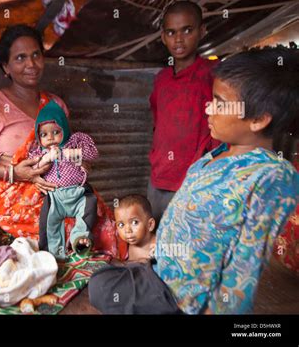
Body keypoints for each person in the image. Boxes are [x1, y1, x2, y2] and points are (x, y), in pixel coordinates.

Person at [89, 46, 299, 314]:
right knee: (99, 280)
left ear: (258, 119)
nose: (208, 108)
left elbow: (245, 267)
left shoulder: (271, 177)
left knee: (103, 288)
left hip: (182, 297)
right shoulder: (214, 155)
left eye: (220, 103)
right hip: (162, 270)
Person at [0, 24, 126, 259]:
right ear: (6, 67)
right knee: (59, 231)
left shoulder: (55, 105)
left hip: (60, 187)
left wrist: (80, 163)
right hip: (17, 195)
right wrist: (15, 173)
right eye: (20, 58)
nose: (31, 64)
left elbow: (66, 149)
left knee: (101, 220)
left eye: (36, 55)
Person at [148, 1, 220, 225]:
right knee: (157, 241)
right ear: (163, 37)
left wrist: (213, 169)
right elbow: (158, 123)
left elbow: (221, 128)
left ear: (202, 31)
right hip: (159, 177)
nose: (178, 39)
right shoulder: (161, 79)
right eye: (171, 32)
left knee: (189, 245)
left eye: (187, 30)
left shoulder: (212, 74)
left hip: (194, 180)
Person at [28, 100, 98, 259]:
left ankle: (80, 239)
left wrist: (71, 154)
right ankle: (54, 255)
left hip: (79, 193)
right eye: (44, 134)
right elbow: (32, 169)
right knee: (48, 222)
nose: (50, 138)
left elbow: (93, 154)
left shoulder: (75, 141)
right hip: (55, 196)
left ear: (65, 129)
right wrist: (46, 158)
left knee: (90, 205)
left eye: (56, 132)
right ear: (39, 137)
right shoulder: (39, 151)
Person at [113, 195, 156, 263]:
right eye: (121, 225)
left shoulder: (158, 246)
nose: (127, 230)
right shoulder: (123, 247)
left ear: (150, 225)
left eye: (134, 222)